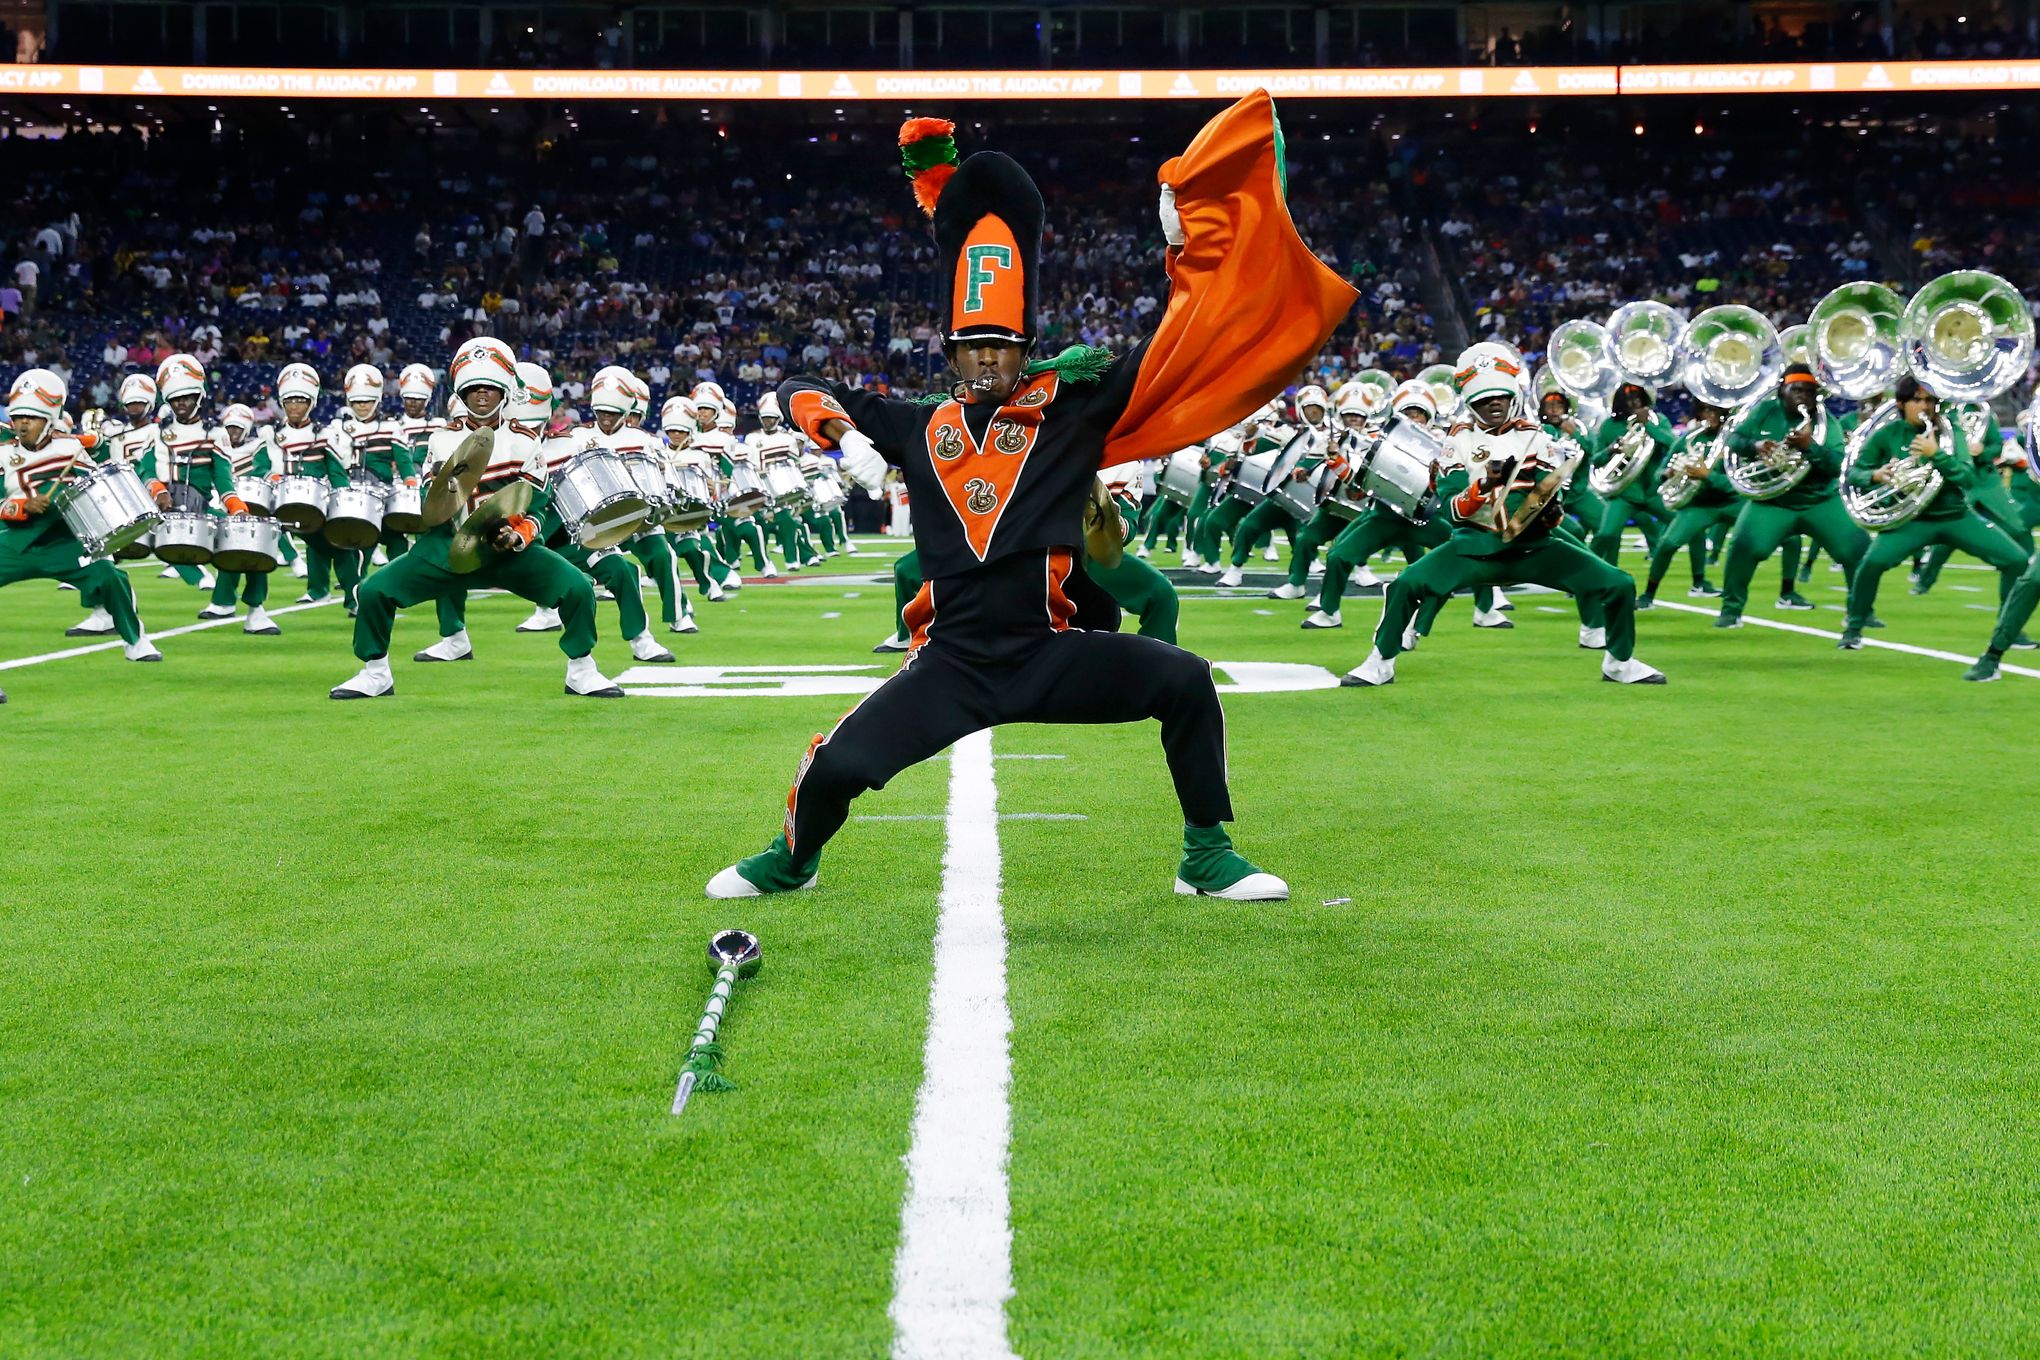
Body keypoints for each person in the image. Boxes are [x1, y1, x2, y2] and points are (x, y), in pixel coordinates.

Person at [705, 95, 1356, 901]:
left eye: (1001, 349)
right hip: (952, 661)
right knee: (838, 763)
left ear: (1025, 351)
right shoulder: (917, 424)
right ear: (949, 351)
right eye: (972, 348)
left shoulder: (1071, 408)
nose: (986, 363)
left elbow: (1175, 348)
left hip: (1048, 650)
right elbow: (801, 386)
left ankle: (1206, 853)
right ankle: (792, 861)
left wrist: (1189, 249)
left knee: (1184, 680)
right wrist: (845, 438)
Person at [1340, 343, 1664, 688]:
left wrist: (1550, 510)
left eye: (1500, 396)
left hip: (1534, 547)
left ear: (1513, 397)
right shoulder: (1457, 441)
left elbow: (1547, 497)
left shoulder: (1537, 438)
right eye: (1484, 398)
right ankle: (1380, 662)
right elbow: (1450, 507)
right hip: (1474, 547)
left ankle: (1619, 663)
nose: (1494, 403)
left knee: (1619, 584)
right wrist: (1484, 486)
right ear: (1471, 403)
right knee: (1406, 584)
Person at [330, 337, 623, 699]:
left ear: (504, 393)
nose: (481, 396)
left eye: (490, 388)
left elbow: (537, 504)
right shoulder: (440, 439)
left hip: (508, 549)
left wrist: (519, 535)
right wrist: (444, 497)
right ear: (461, 394)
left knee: (577, 587)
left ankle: (582, 669)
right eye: (473, 389)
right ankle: (375, 672)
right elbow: (429, 502)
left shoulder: (525, 440)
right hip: (446, 547)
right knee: (373, 591)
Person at [1839, 375, 2030, 650]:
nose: (1925, 406)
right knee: (1871, 564)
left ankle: (2010, 631)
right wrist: (1876, 475)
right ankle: (1854, 628)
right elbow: (1854, 473)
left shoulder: (1951, 432)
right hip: (1911, 520)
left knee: (2016, 559)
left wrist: (1936, 453)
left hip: (1955, 516)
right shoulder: (1887, 435)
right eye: (1917, 400)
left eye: (1930, 400)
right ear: (1901, 404)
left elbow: (1967, 478)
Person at [1303, 380, 1508, 632]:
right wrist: (1336, 461)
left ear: (1429, 415)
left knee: (1473, 550)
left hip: (1426, 517)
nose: (1414, 419)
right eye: (1408, 414)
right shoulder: (1379, 440)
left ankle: (1485, 611)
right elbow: (1360, 483)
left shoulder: (1445, 442)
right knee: (1338, 556)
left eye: (1418, 414)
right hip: (1384, 515)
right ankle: (1329, 611)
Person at [0, 369, 160, 661]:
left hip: (64, 542)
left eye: (32, 417)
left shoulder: (70, 448)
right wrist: (23, 506)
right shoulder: (3, 453)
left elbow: (97, 483)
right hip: (15, 541)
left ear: (49, 420)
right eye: (19, 416)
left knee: (111, 577)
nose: (23, 424)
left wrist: (96, 446)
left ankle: (136, 641)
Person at [1713, 364, 1871, 629]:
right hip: (1773, 501)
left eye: (1809, 392)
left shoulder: (1825, 421)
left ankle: (1861, 612)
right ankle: (1731, 610)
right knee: (1743, 545)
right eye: (1796, 390)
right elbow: (1732, 440)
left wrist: (1810, 448)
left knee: (1857, 547)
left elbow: (1837, 466)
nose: (1803, 396)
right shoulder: (1763, 412)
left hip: (1819, 498)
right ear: (1781, 391)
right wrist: (1755, 446)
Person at [141, 354, 273, 633]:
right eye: (176, 398)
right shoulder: (157, 432)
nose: (182, 403)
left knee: (246, 540)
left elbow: (223, 480)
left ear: (199, 396)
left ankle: (246, 608)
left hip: (198, 507)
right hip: (159, 511)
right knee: (106, 548)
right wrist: (158, 491)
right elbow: (146, 470)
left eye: (187, 397)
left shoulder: (216, 433)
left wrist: (237, 508)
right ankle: (104, 611)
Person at [1638, 402, 1741, 609]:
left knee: (1787, 538)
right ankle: (1648, 595)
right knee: (1668, 544)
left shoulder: (1737, 440)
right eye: (1705, 411)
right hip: (1699, 505)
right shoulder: (1690, 438)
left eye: (1714, 412)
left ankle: (1787, 592)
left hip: (1733, 502)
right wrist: (1668, 474)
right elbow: (1661, 470)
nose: (1709, 416)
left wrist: (1708, 476)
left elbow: (1739, 480)